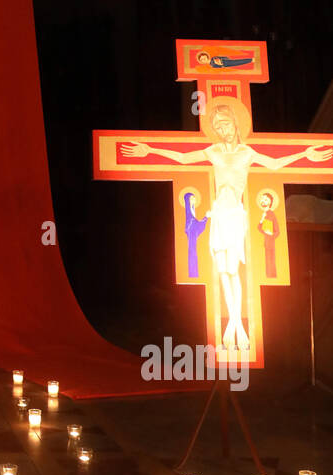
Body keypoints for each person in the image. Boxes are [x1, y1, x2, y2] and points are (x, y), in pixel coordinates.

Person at [121, 105, 333, 352]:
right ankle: (234, 325)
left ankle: (236, 325)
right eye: (218, 127)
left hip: (235, 215)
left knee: (234, 271)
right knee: (222, 271)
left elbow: (275, 164)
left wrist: (306, 155)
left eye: (226, 124)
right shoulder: (212, 152)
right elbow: (181, 157)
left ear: (235, 123)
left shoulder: (247, 153)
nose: (224, 131)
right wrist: (150, 150)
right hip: (218, 214)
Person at [182, 189, 208, 279]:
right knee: (192, 252)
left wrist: (205, 218)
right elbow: (192, 222)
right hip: (191, 230)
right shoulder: (189, 210)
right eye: (192, 198)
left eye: (194, 198)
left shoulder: (192, 210)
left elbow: (196, 224)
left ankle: (194, 273)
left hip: (192, 229)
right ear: (188, 200)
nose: (194, 200)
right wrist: (206, 218)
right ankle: (193, 274)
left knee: (193, 252)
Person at [257, 192, 280, 277]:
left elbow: (277, 231)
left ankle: (272, 276)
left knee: (271, 260)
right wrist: (262, 219)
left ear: (270, 202)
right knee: (267, 261)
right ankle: (269, 276)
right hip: (266, 242)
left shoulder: (271, 214)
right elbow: (259, 228)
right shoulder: (265, 214)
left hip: (270, 242)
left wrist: (271, 235)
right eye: (262, 199)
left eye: (266, 199)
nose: (263, 201)